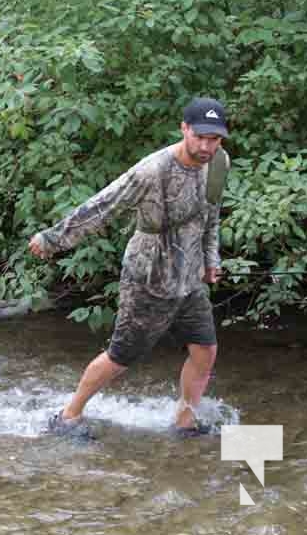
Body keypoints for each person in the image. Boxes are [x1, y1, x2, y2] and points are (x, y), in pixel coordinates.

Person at [29, 97, 230, 436]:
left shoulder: (219, 163)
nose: (207, 145)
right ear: (184, 129)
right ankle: (67, 416)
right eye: (200, 137)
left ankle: (185, 420)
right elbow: (102, 207)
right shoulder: (152, 171)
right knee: (121, 356)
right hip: (147, 278)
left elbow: (211, 216)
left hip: (189, 279)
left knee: (205, 350)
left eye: (214, 139)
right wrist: (52, 239)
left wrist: (211, 261)